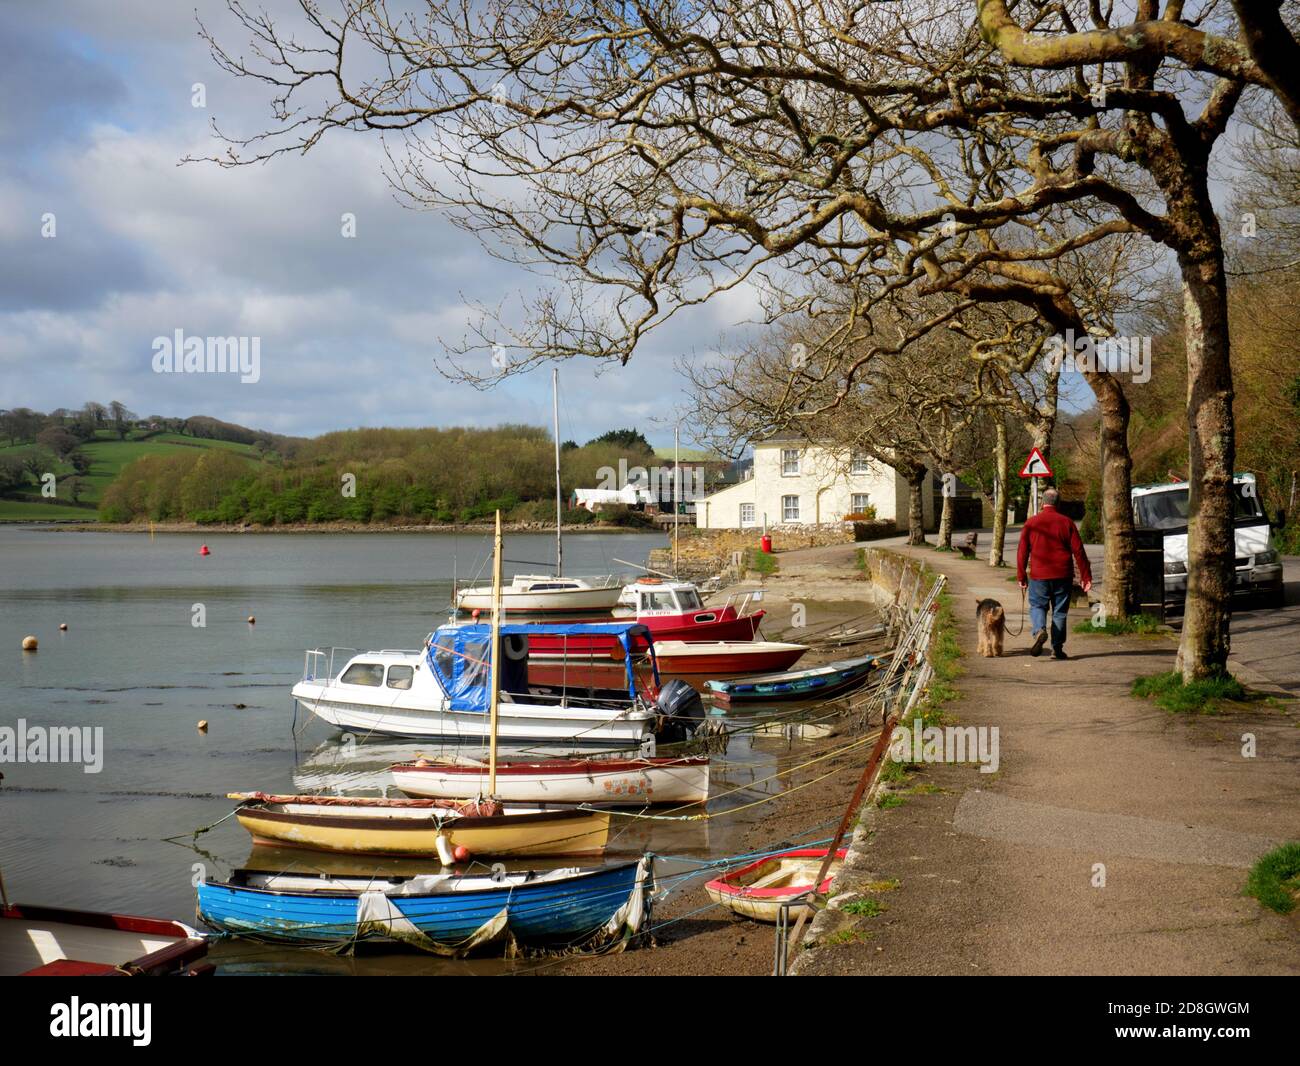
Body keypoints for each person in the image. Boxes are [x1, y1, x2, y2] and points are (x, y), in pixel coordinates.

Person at [1016, 487, 1093, 660]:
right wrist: (1085, 576)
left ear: (1042, 502)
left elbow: (1022, 552)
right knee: (1059, 612)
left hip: (1039, 575)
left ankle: (1039, 630)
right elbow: (1079, 551)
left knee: (1037, 606)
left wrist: (1021, 576)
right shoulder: (1067, 523)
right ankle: (1057, 649)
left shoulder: (1031, 523)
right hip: (1063, 575)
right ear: (1058, 503)